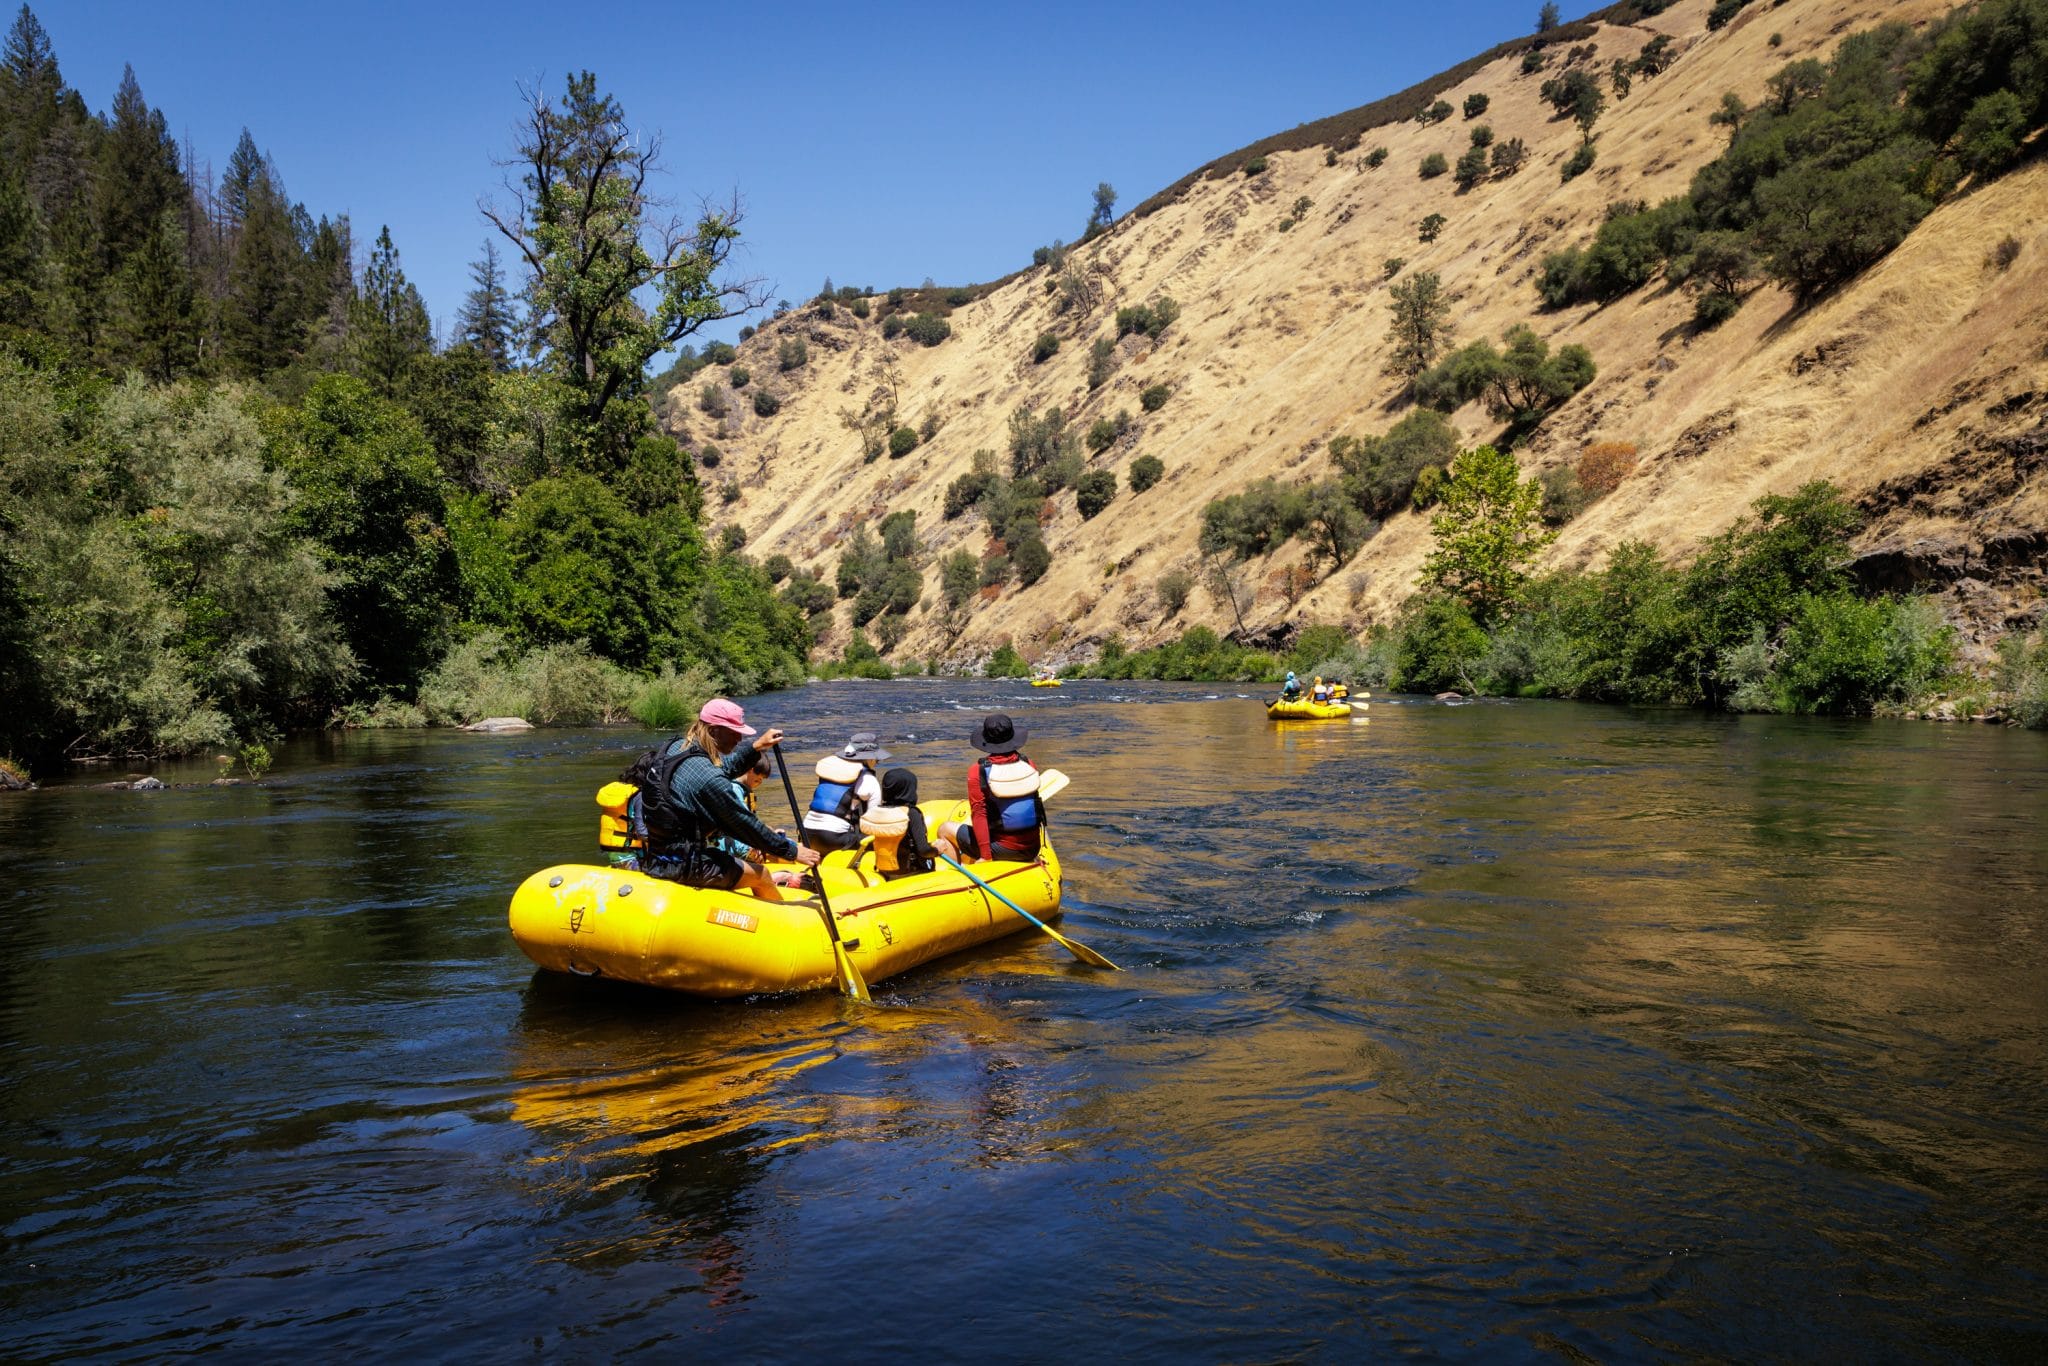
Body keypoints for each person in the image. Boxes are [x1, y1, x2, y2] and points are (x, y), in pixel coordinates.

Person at [632, 698, 819, 899]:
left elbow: (721, 770)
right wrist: (792, 851)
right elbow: (744, 825)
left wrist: (756, 747)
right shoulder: (708, 779)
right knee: (762, 874)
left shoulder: (676, 747)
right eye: (733, 732)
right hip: (686, 866)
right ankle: (781, 916)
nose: (739, 739)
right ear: (714, 731)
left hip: (656, 858)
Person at [936, 713, 1043, 864]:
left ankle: (957, 874)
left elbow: (979, 813)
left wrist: (985, 856)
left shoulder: (978, 771)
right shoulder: (1028, 763)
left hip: (1002, 849)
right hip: (1032, 848)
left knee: (945, 829)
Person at [714, 749, 804, 886]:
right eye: (757, 780)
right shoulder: (735, 790)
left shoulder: (740, 789)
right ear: (749, 770)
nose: (758, 783)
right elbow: (743, 825)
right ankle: (782, 877)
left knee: (784, 842)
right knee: (784, 852)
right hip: (737, 850)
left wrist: (769, 832)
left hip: (741, 845)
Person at [802, 733, 889, 853]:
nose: (878, 762)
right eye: (877, 759)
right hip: (833, 839)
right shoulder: (868, 779)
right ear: (870, 758)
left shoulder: (831, 771)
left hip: (805, 834)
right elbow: (873, 821)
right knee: (884, 842)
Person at [860, 767, 937, 880]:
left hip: (884, 872)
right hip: (911, 873)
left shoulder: (878, 811)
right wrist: (937, 850)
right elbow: (923, 851)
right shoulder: (911, 813)